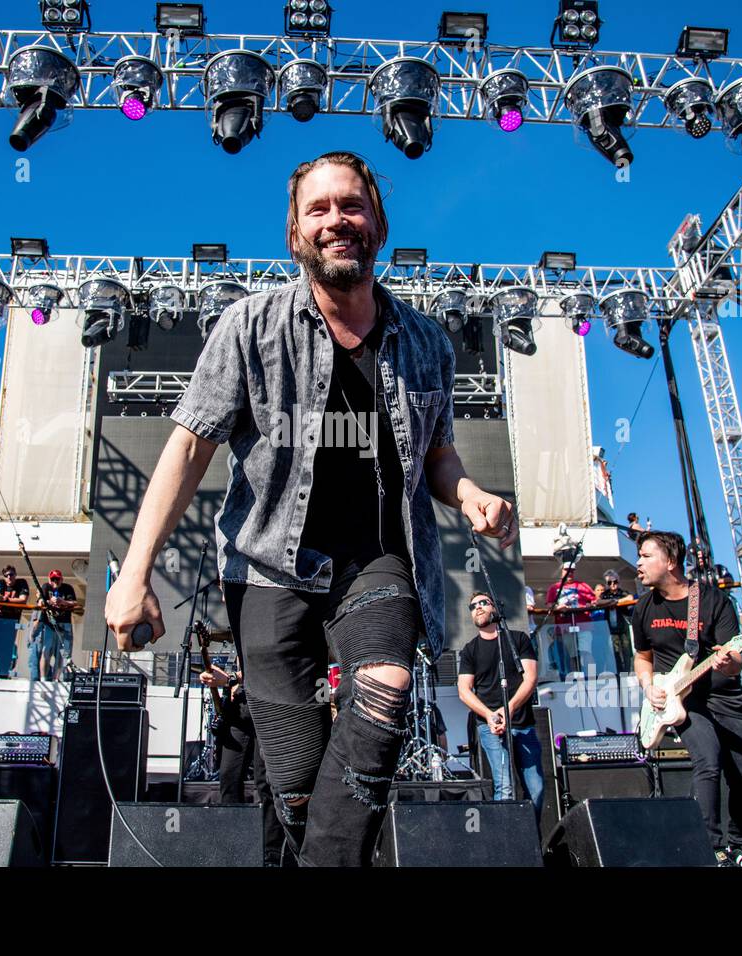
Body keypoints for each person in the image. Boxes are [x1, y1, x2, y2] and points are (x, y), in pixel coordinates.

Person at [103, 151, 517, 866]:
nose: (337, 221)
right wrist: (133, 574)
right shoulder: (247, 326)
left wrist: (471, 492)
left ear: (377, 223)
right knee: (294, 786)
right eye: (318, 210)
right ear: (293, 234)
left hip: (377, 560)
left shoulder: (425, 342)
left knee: (386, 687)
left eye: (351, 205)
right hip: (268, 567)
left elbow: (438, 454)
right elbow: (188, 450)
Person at [632, 530, 742, 868]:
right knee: (708, 759)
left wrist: (729, 662)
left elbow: (735, 659)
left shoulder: (713, 601)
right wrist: (648, 687)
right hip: (684, 701)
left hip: (724, 695)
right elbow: (642, 656)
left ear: (670, 561)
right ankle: (711, 848)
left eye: (645, 555)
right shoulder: (643, 607)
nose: (638, 563)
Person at [457, 592, 543, 819]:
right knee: (504, 787)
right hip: (490, 726)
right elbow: (464, 690)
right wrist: (489, 715)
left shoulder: (518, 640)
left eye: (483, 603)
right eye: (473, 605)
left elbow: (531, 678)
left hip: (522, 722)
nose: (477, 608)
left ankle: (531, 841)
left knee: (536, 788)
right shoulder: (470, 649)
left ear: (495, 607)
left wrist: (509, 708)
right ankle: (506, 843)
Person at [200, 662, 287, 866]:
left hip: (268, 705)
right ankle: (232, 844)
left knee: (265, 783)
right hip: (240, 708)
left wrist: (231, 678)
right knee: (229, 777)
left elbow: (268, 664)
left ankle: (271, 852)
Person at [544, 574, 597, 675]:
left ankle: (592, 677)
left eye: (572, 570)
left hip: (584, 625)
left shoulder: (583, 586)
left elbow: (594, 601)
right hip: (565, 627)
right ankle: (576, 679)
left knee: (586, 652)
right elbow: (550, 606)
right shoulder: (554, 587)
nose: (569, 573)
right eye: (567, 570)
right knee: (572, 655)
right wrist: (559, 607)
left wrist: (588, 605)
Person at [29, 569, 76, 681]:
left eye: (57, 579)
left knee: (61, 654)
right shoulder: (45, 587)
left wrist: (62, 602)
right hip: (49, 624)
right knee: (46, 651)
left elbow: (74, 603)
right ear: (49, 580)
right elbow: (40, 602)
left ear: (61, 579)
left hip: (64, 625)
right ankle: (44, 678)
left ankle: (56, 678)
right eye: (53, 579)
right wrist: (49, 602)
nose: (55, 581)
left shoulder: (68, 588)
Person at [0, 565, 28, 678]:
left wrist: (6, 599)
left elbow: (23, 600)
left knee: (5, 651)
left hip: (10, 622)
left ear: (15, 575)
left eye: (11, 574)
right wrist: (5, 600)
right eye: (6, 575)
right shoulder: (0, 583)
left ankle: (3, 675)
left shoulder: (21, 583)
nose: (9, 577)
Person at [594, 569, 634, 673]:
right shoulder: (605, 594)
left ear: (618, 582)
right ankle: (620, 673)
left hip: (623, 627)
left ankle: (628, 672)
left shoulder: (623, 592)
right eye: (609, 582)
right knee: (615, 652)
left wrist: (616, 602)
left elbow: (630, 597)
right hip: (611, 629)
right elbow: (598, 602)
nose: (613, 584)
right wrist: (611, 602)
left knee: (626, 650)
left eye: (615, 582)